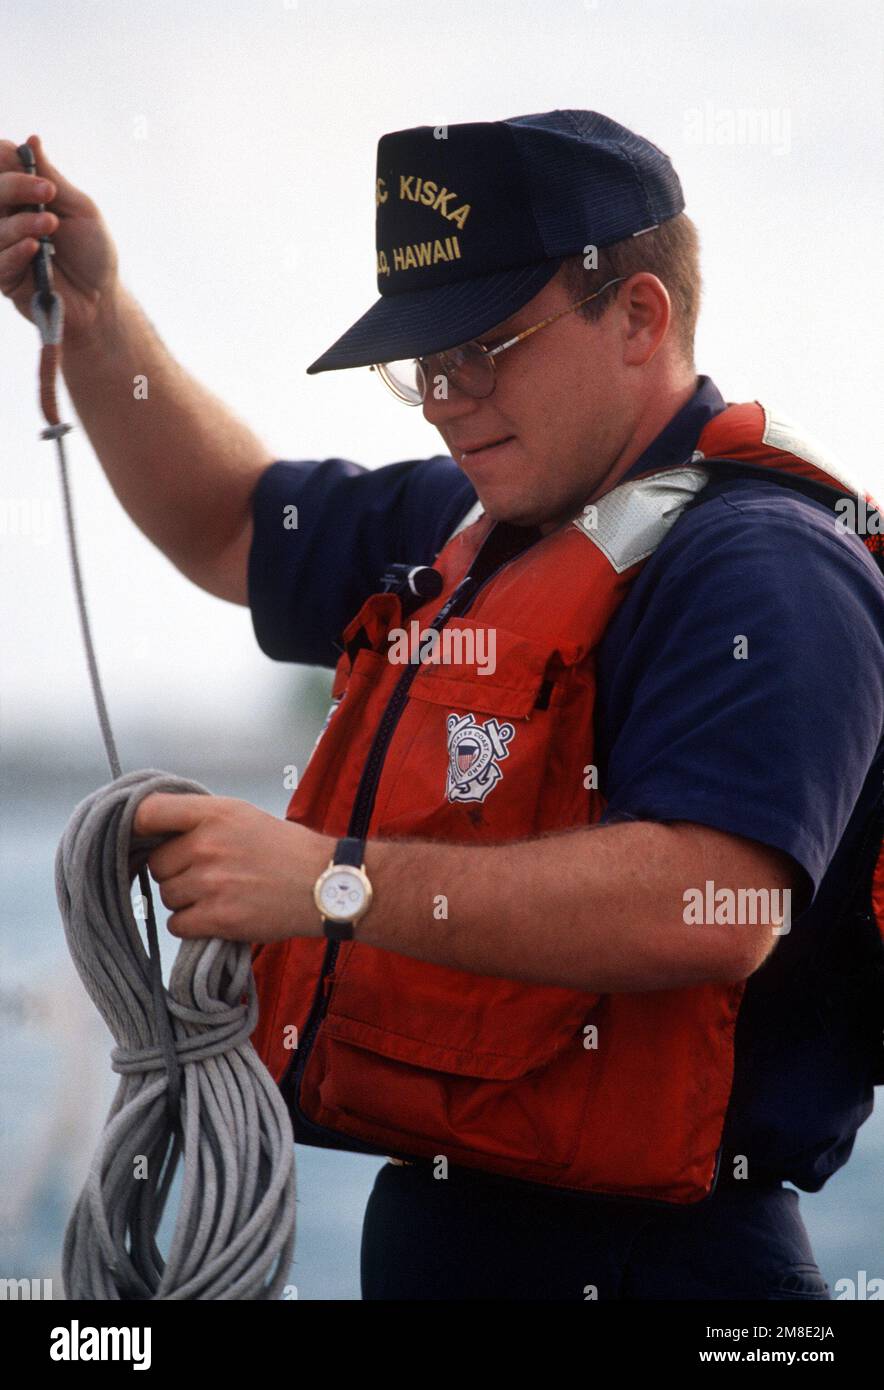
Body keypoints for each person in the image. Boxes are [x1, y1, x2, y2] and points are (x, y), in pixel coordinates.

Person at [2, 110, 882, 1302]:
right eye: (421, 364)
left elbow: (707, 905)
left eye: (486, 346)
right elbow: (228, 523)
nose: (444, 398)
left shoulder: (765, 566)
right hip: (446, 1235)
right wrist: (99, 327)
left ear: (637, 317)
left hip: (666, 1266)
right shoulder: (470, 523)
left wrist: (325, 880)